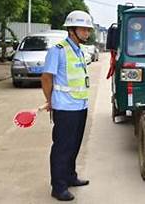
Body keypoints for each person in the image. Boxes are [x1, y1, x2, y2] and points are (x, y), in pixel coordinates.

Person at [41, 10, 94, 201]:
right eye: (84, 29)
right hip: (65, 108)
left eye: (88, 30)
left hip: (80, 106)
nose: (87, 33)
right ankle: (58, 186)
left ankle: (70, 177)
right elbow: (46, 77)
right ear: (72, 30)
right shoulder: (58, 50)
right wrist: (50, 101)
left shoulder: (79, 50)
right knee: (62, 147)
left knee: (74, 145)